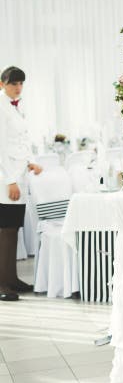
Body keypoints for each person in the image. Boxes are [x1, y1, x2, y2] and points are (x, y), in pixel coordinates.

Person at [0, 66, 42, 301]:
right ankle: (2, 283)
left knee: (13, 230)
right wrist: (11, 181)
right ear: (2, 84)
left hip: (19, 175)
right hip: (6, 180)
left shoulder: (16, 107)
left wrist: (30, 163)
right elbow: (1, 149)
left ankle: (11, 278)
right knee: (5, 231)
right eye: (13, 83)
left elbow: (20, 142)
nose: (18, 87)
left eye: (21, 83)